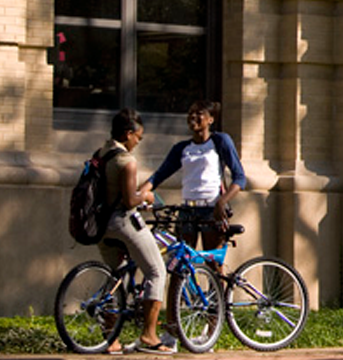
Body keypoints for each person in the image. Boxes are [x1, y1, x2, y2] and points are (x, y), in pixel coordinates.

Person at [97, 108, 173, 355]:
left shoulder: (101, 153)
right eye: (138, 138)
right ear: (128, 134)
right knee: (156, 271)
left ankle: (110, 341)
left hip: (100, 224)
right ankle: (149, 336)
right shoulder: (126, 161)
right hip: (122, 223)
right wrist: (147, 195)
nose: (138, 142)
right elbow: (130, 201)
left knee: (116, 277)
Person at [139, 100, 246, 251]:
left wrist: (222, 202)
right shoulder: (182, 148)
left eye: (199, 113)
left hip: (211, 209)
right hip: (187, 211)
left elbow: (240, 177)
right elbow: (159, 175)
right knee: (180, 263)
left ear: (210, 119)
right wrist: (141, 192)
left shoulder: (220, 141)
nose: (193, 117)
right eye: (190, 113)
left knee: (212, 263)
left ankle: (218, 275)